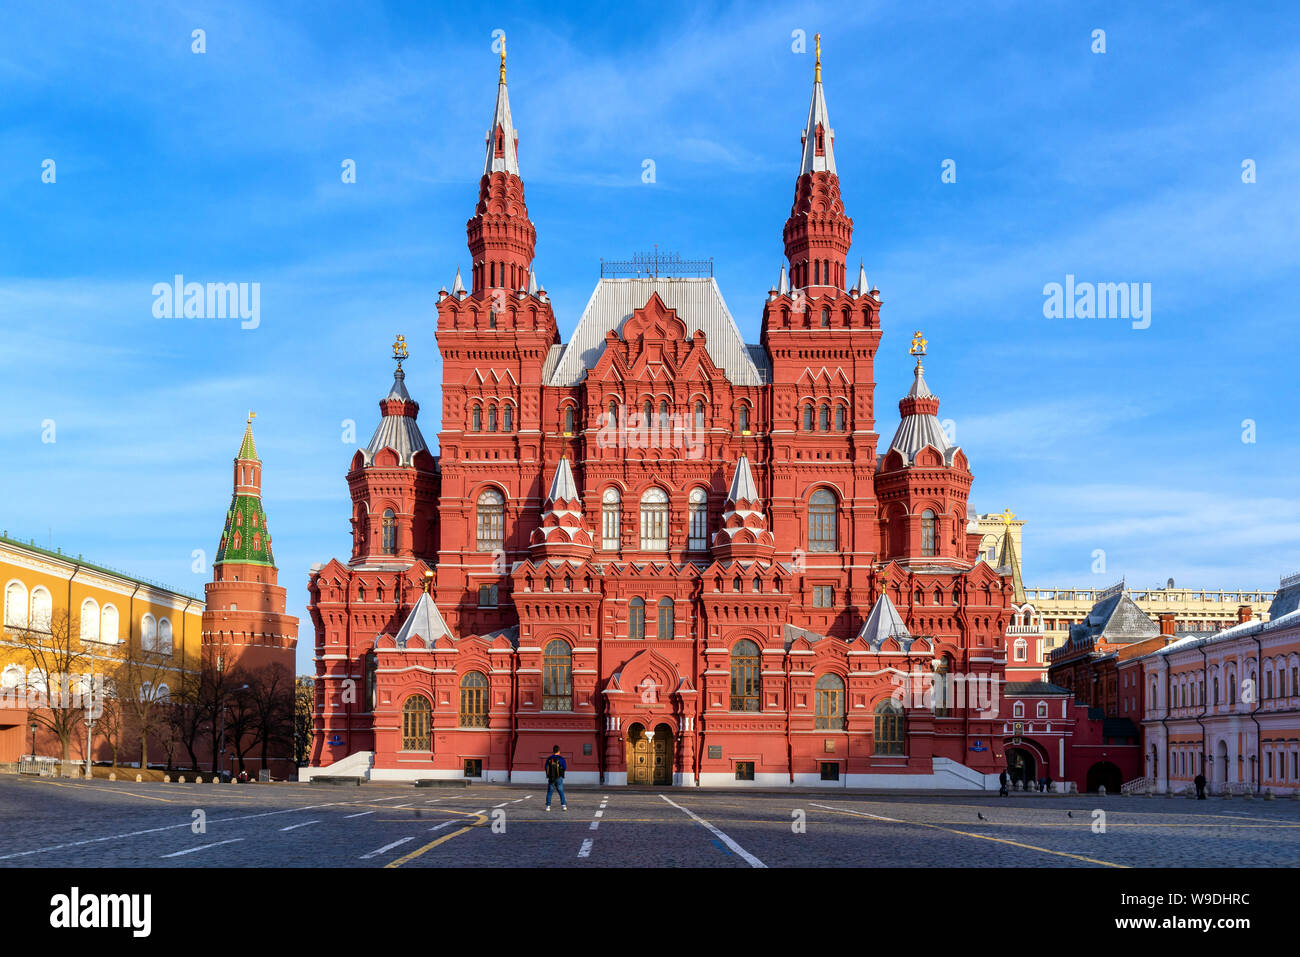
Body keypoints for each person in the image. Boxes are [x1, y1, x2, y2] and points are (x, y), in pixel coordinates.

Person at [544, 746, 567, 811]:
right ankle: (564, 806)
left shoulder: (549, 758)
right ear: (559, 751)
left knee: (549, 792)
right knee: (561, 791)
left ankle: (548, 806)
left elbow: (546, 767)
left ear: (553, 751)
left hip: (551, 778)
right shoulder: (561, 759)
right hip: (559, 777)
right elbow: (565, 767)